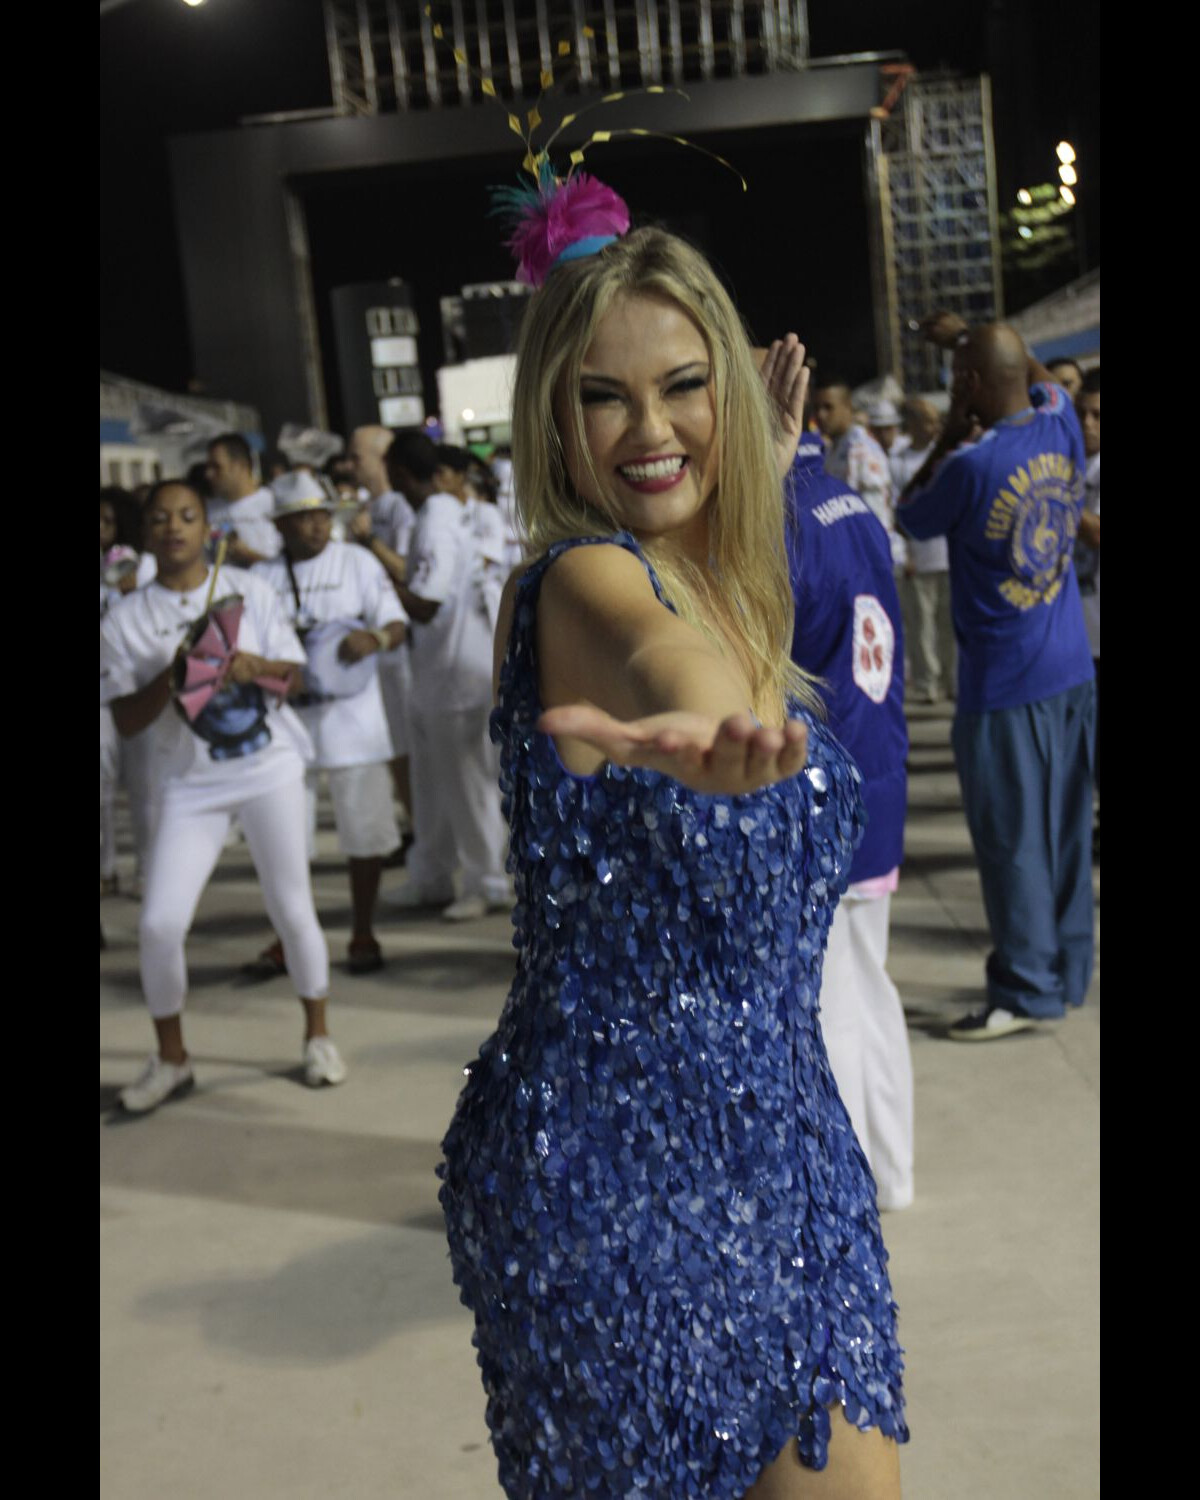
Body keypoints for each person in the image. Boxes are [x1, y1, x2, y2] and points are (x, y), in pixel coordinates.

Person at [438, 215, 906, 1498]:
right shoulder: (582, 583)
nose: (650, 430)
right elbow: (665, 658)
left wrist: (749, 461)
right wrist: (707, 730)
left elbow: (718, 597)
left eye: (684, 387)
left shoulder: (726, 578)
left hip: (789, 1158)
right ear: (550, 417)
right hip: (610, 1175)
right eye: (605, 399)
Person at [100, 479, 346, 1113]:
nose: (174, 527)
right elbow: (127, 719)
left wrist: (253, 665)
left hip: (268, 766)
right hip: (186, 782)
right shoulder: (126, 618)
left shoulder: (252, 590)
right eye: (160, 519)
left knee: (291, 905)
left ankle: (318, 1036)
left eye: (186, 516)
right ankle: (172, 1059)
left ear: (206, 526)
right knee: (158, 923)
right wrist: (172, 673)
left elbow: (293, 677)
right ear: (145, 533)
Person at [897, 313, 1095, 1040]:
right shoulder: (1061, 423)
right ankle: (1069, 970)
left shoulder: (971, 467)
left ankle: (1024, 989)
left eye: (958, 379)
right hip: (1071, 672)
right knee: (1067, 831)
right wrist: (977, 343)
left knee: (1013, 842)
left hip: (1005, 689)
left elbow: (908, 514)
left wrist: (953, 425)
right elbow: (1039, 381)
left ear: (972, 385)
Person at [782, 429, 913, 1212]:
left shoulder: (778, 523)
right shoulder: (850, 502)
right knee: (869, 986)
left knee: (829, 1002)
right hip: (878, 767)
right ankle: (890, 1175)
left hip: (826, 788)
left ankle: (846, 1193)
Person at [252, 472, 408, 973]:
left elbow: (395, 623)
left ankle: (363, 929)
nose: (317, 526)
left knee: (363, 831)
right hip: (287, 726)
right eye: (303, 517)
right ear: (281, 525)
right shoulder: (262, 580)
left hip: (353, 722)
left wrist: (376, 640)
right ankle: (288, 936)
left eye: (322, 515)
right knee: (282, 837)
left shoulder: (357, 562)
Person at [386, 430, 510, 921]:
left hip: (457, 673)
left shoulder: (437, 519)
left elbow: (428, 600)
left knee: (467, 783)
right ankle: (432, 875)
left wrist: (381, 578)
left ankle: (487, 882)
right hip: (438, 671)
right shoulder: (438, 515)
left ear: (399, 471)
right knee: (434, 785)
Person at [345, 425, 417, 843]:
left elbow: (409, 571)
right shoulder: (363, 507)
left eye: (359, 458)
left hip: (403, 646)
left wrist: (369, 541)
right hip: (377, 648)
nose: (351, 467)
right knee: (392, 746)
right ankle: (414, 829)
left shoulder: (404, 509)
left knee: (408, 747)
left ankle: (422, 834)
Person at [889, 400, 955, 703]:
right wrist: (908, 554)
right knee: (922, 627)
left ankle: (952, 682)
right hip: (919, 559)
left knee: (949, 626)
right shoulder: (898, 461)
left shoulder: (943, 456)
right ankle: (929, 685)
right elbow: (894, 512)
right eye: (928, 421)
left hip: (949, 557)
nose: (935, 426)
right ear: (913, 423)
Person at [814, 377, 905, 574]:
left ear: (847, 407)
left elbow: (874, 514)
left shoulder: (859, 447)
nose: (821, 415)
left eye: (828, 407)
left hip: (869, 561)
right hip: (852, 559)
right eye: (817, 408)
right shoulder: (834, 448)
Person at [1074, 370, 1100, 808]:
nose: (1089, 423)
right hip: (1079, 635)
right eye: (1083, 414)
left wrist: (1055, 495)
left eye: (1099, 415)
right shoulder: (1071, 464)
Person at [204, 433, 283, 566]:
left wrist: (250, 556)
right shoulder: (205, 511)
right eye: (208, 467)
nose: (208, 474)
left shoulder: (274, 503)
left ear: (240, 465)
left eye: (216, 467)